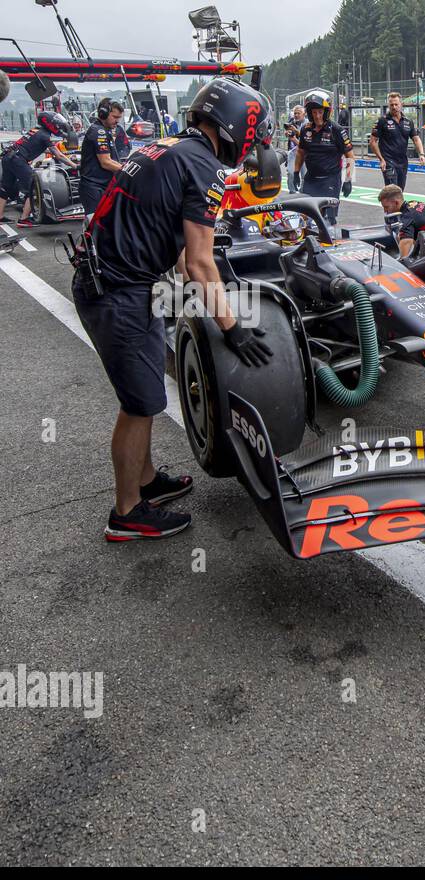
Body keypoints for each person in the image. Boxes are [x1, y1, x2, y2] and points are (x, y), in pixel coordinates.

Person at [76, 77, 275, 542]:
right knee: (140, 404)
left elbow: (187, 257)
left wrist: (207, 290)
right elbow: (201, 263)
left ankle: (146, 483)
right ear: (236, 127)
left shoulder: (166, 146)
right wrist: (234, 327)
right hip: (117, 291)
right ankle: (126, 514)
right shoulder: (204, 167)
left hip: (116, 282)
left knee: (145, 396)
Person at [0, 111, 76, 225]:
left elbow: (35, 146)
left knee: (5, 188)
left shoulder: (35, 131)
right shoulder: (45, 135)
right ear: (49, 123)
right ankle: (24, 219)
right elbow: (58, 155)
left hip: (8, 157)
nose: (58, 127)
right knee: (34, 185)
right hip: (17, 160)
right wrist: (74, 165)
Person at [293, 92, 354, 226]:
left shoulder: (337, 130)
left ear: (327, 112)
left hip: (331, 180)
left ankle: (330, 242)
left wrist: (348, 180)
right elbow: (300, 152)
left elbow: (350, 156)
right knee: (305, 215)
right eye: (314, 112)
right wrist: (296, 172)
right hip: (310, 179)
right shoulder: (305, 129)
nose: (317, 116)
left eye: (320, 112)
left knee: (329, 220)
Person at [79, 98, 132, 223]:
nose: (117, 120)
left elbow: (111, 159)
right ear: (103, 114)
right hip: (93, 187)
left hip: (101, 186)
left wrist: (124, 165)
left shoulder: (104, 130)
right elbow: (106, 162)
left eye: (119, 117)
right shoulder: (99, 131)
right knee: (94, 226)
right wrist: (128, 170)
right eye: (114, 117)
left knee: (106, 225)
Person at [369, 91, 424, 189]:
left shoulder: (408, 121)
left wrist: (422, 154)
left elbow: (416, 139)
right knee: (393, 190)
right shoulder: (381, 121)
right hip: (388, 161)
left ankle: (392, 204)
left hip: (403, 162)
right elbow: (373, 142)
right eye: (391, 105)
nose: (394, 107)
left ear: (401, 104)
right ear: (388, 105)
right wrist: (381, 159)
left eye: (396, 104)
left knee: (400, 190)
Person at [284, 104, 306, 192]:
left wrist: (295, 136)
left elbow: (305, 142)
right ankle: (292, 192)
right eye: (295, 113)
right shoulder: (291, 122)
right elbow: (289, 136)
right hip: (293, 152)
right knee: (291, 173)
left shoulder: (308, 124)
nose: (296, 115)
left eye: (299, 113)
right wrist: (288, 134)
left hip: (305, 152)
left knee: (305, 175)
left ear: (304, 114)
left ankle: (303, 193)